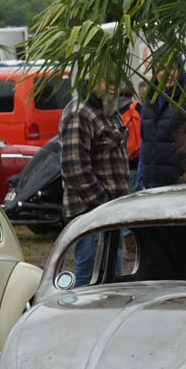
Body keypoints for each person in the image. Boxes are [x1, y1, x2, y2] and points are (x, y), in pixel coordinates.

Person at [59, 84, 130, 285]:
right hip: (92, 217)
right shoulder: (79, 112)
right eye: (104, 80)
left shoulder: (110, 111)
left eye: (114, 79)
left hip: (112, 216)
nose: (111, 86)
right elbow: (74, 168)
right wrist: (103, 205)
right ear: (90, 79)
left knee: (110, 281)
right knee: (90, 284)